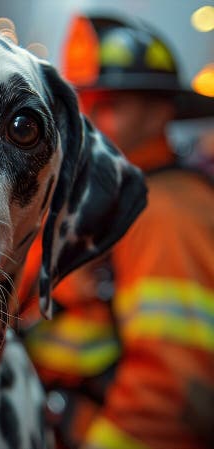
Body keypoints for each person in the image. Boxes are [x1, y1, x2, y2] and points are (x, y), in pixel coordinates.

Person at [19, 14, 214, 449]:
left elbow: (172, 396)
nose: (87, 123)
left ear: (161, 110)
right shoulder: (108, 194)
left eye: (109, 106)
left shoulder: (165, 214)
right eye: (83, 105)